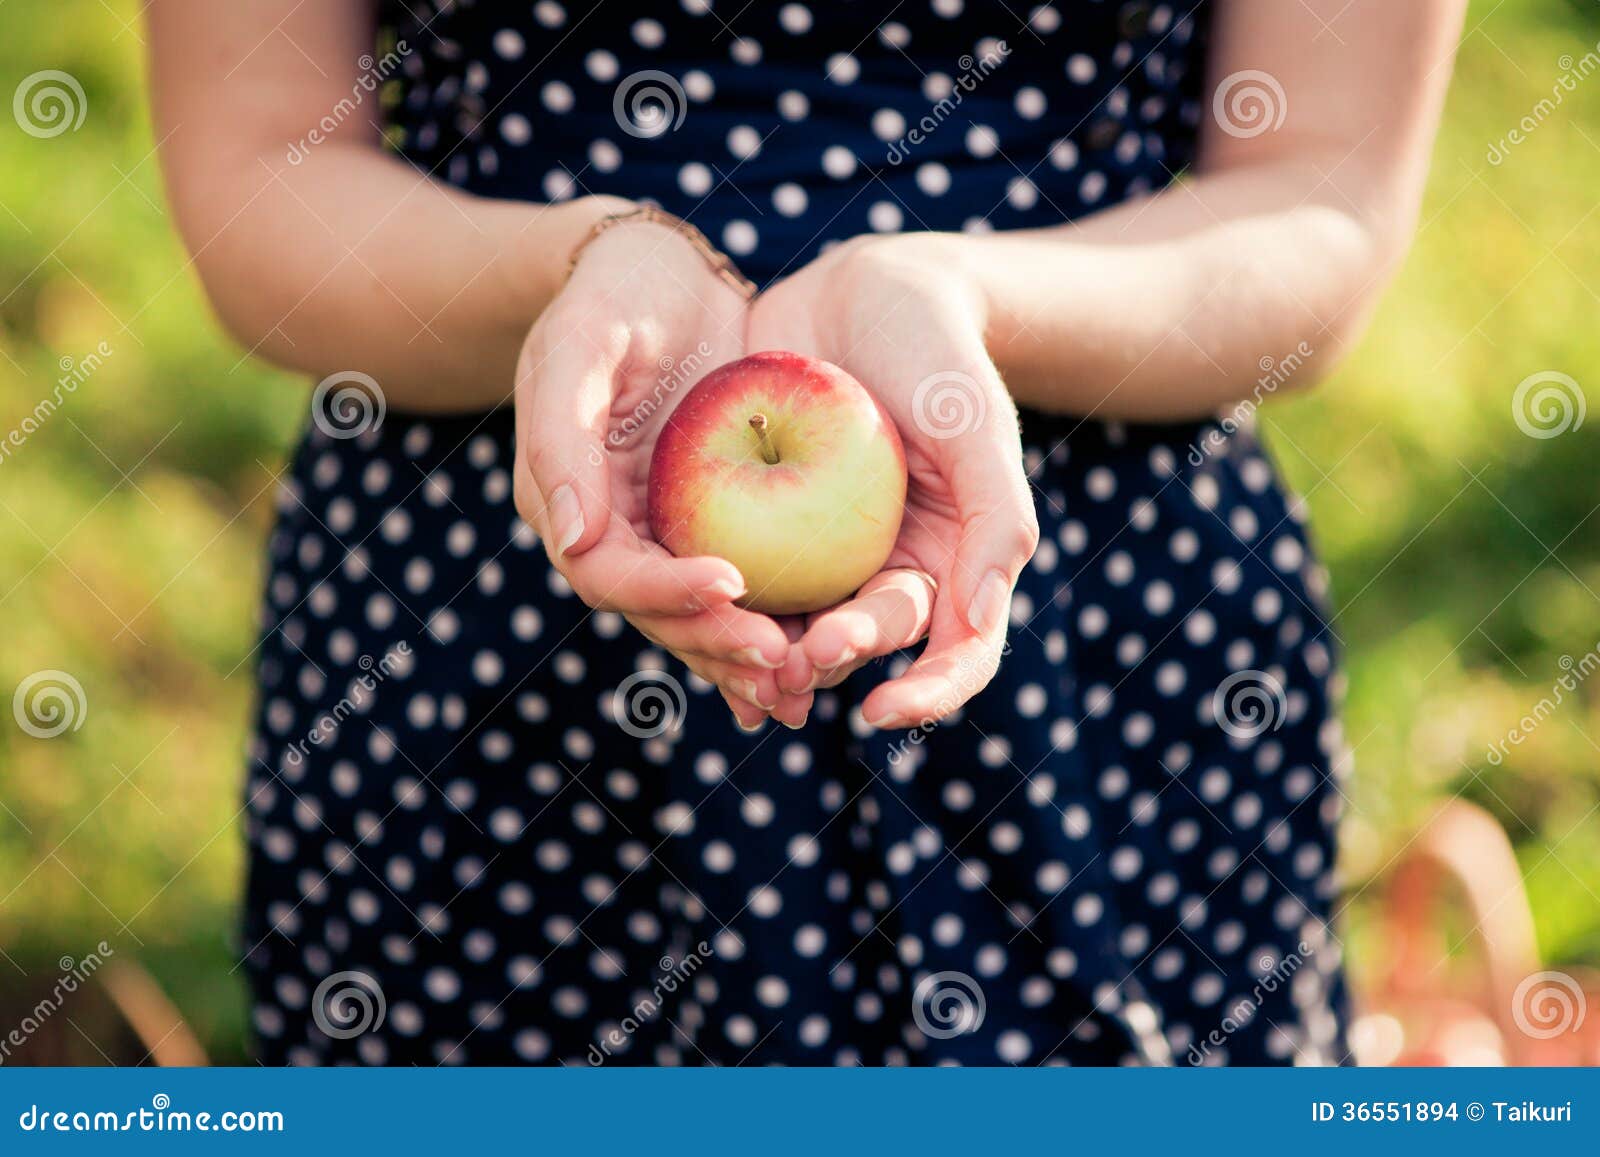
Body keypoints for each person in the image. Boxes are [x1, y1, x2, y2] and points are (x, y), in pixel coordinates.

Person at [150, 0, 1464, 1065]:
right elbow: (262, 172)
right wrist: (572, 270)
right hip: (492, 628)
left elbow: (1321, 188)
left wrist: (966, 298)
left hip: (1093, 629)